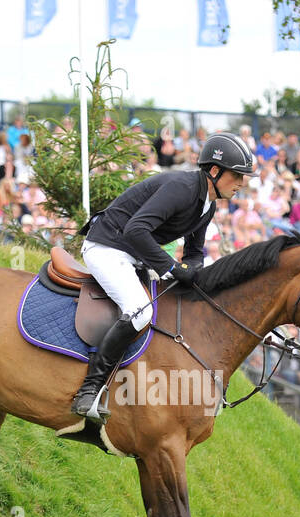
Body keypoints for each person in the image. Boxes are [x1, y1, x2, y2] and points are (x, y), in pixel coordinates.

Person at [71, 131, 256, 421]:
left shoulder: (207, 203)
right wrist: (173, 268)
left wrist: (194, 273)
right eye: (238, 176)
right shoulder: (182, 187)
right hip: (107, 246)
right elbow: (135, 230)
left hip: (133, 254)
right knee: (139, 312)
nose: (242, 184)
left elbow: (194, 251)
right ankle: (89, 389)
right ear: (216, 171)